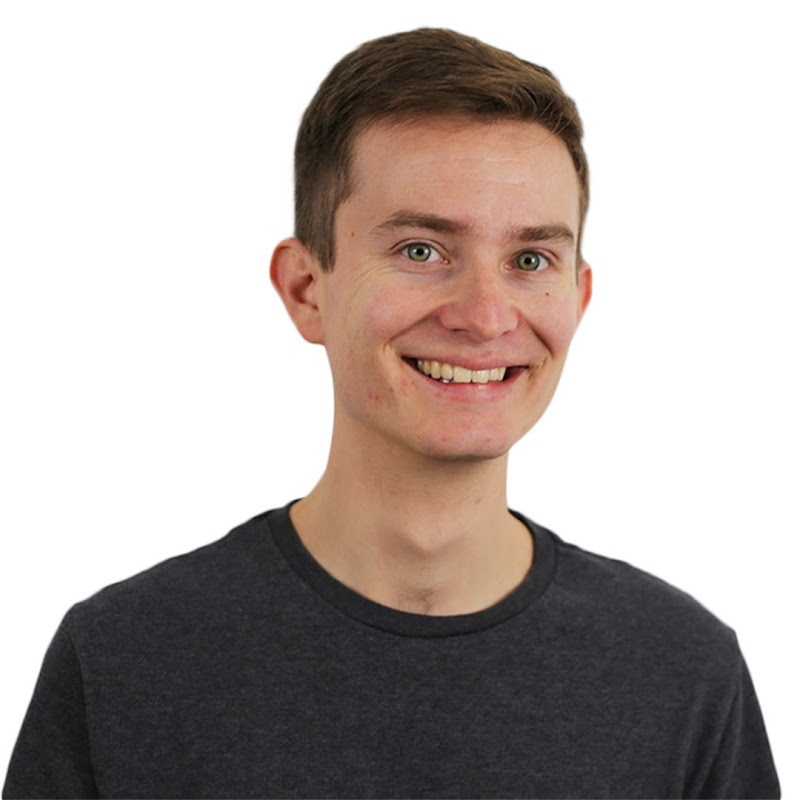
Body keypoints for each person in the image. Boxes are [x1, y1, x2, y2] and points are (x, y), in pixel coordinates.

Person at [3, 27, 780, 799]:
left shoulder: (685, 676)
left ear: (577, 299)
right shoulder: (122, 663)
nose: (485, 315)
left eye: (530, 260)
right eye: (420, 250)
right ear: (306, 289)